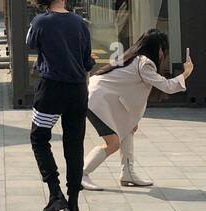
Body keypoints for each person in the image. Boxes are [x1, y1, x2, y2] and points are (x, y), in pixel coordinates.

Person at [81, 30, 193, 189]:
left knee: (128, 129)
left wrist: (130, 118)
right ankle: (81, 174)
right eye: (162, 49)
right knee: (113, 143)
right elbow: (167, 86)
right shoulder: (145, 64)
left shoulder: (134, 58)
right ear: (157, 48)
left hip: (99, 98)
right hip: (97, 102)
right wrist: (186, 73)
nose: (162, 54)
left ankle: (128, 173)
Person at [26, 0, 94, 211]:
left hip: (51, 89)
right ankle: (73, 206)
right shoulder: (80, 23)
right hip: (77, 90)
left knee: (39, 137)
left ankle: (55, 192)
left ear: (40, 0)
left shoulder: (40, 21)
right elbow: (88, 61)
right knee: (74, 145)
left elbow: (30, 43)